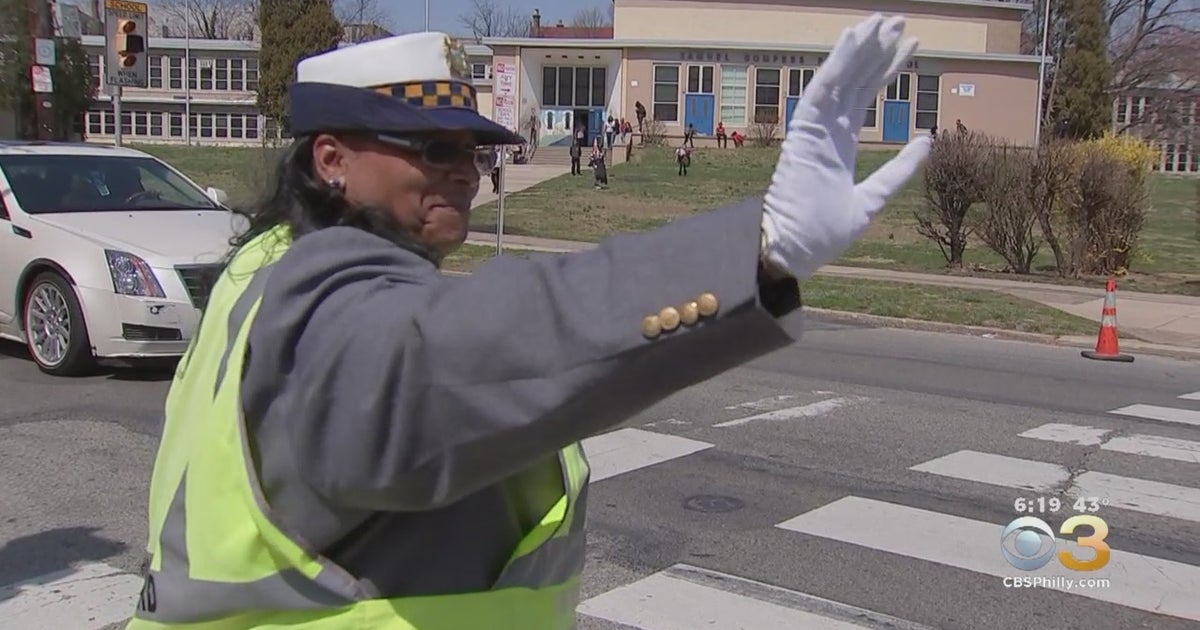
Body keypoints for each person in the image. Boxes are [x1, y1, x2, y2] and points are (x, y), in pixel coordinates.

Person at [127, 15, 928, 630]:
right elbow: (444, 357)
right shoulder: (325, 300)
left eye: (475, 150)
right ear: (332, 160)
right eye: (432, 147)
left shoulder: (262, 264)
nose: (465, 171)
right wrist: (756, 252)